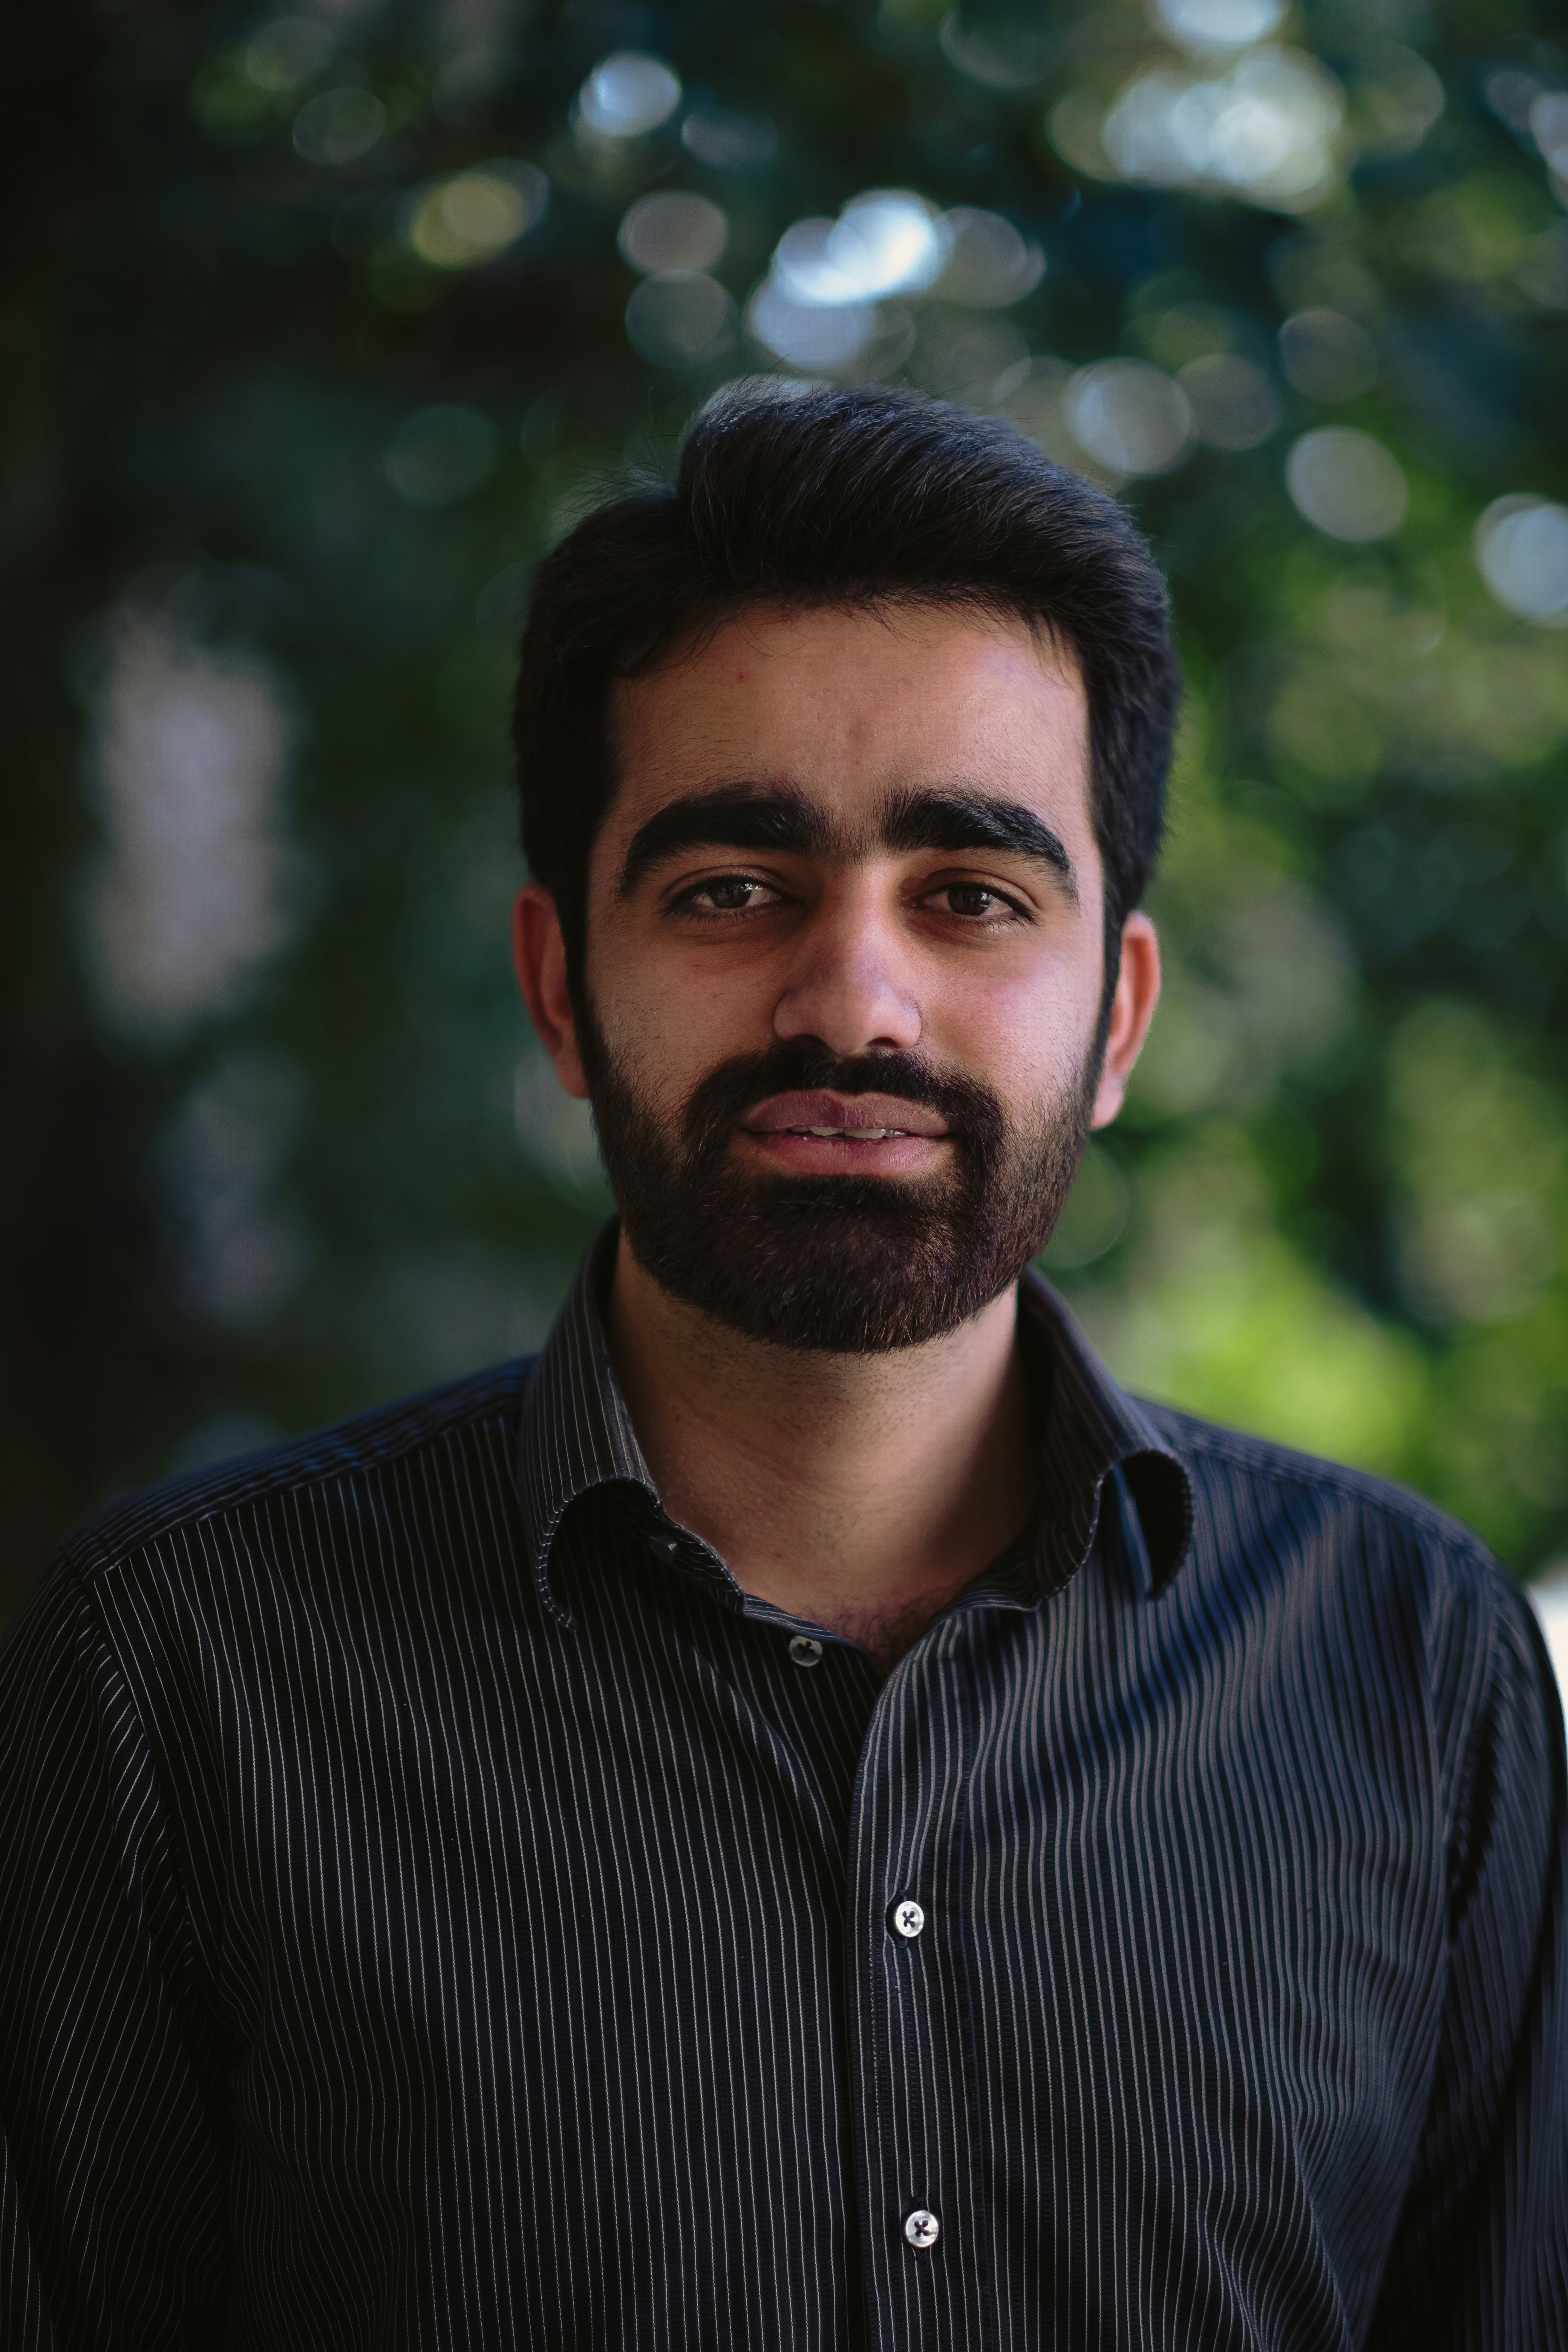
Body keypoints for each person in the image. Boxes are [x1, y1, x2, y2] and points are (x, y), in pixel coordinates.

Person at [1, 384, 1563, 2352]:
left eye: (973, 896)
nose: (854, 997)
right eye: (733, 888)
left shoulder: (1412, 1668)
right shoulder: (180, 1677)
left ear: (1119, 1018)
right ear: (566, 986)